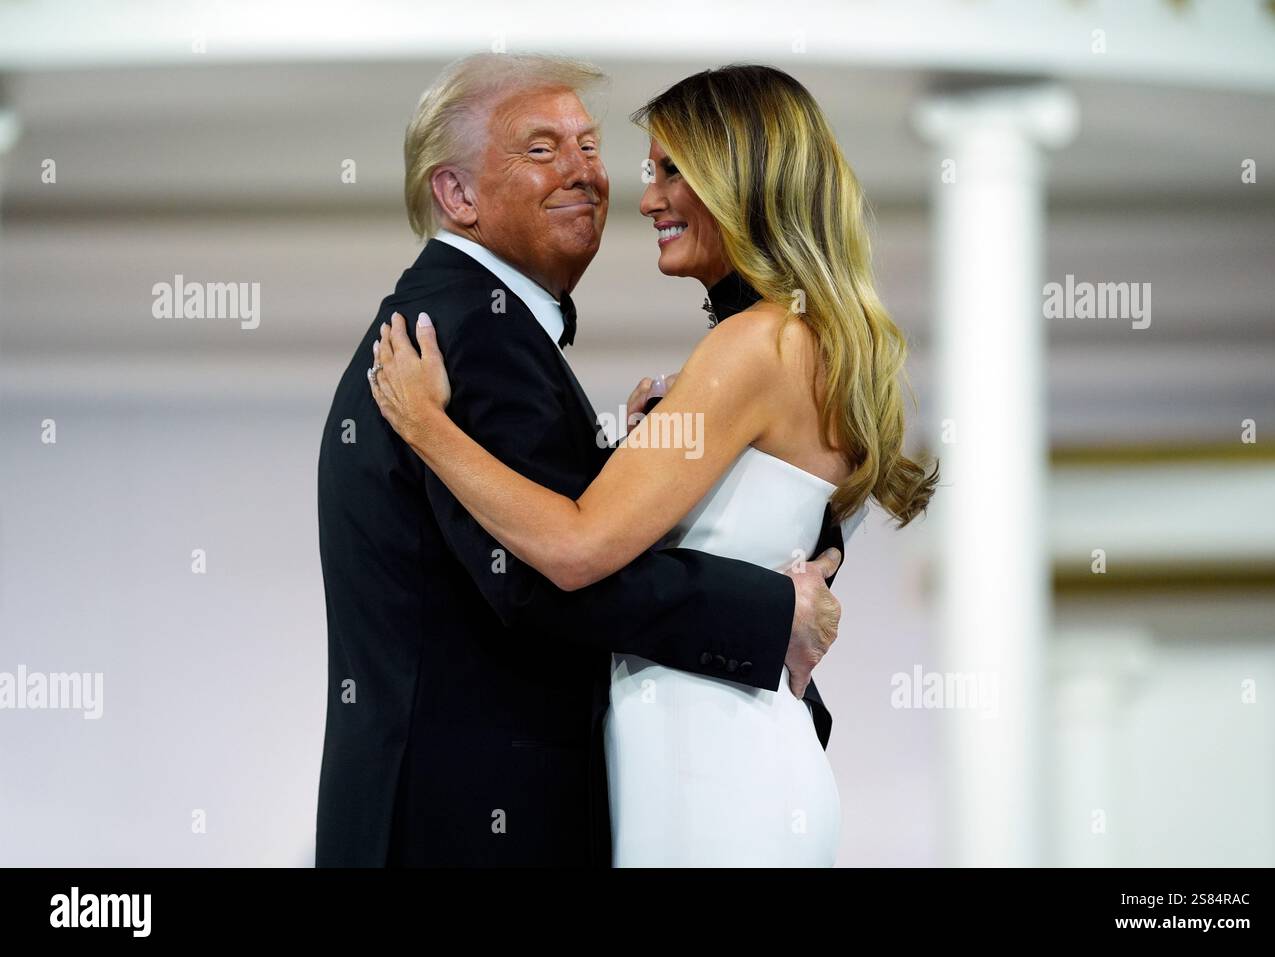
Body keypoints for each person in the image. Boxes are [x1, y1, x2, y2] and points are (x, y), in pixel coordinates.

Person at [369, 63, 938, 865]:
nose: (647, 199)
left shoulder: (752, 345)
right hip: (719, 755)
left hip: (711, 768)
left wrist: (427, 427)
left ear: (741, 176)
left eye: (674, 170)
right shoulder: (793, 341)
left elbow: (573, 548)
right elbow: (789, 535)